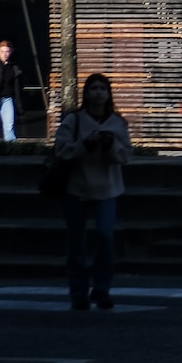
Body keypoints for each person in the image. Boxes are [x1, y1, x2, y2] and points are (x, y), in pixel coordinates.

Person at [53, 71, 129, 310]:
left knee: (106, 241)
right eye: (94, 88)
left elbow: (125, 156)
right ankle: (78, 292)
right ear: (86, 93)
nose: (98, 93)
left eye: (102, 89)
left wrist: (109, 145)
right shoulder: (73, 120)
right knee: (77, 243)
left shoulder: (117, 122)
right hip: (77, 187)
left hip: (108, 188)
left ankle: (102, 288)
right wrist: (84, 144)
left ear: (108, 94)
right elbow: (61, 150)